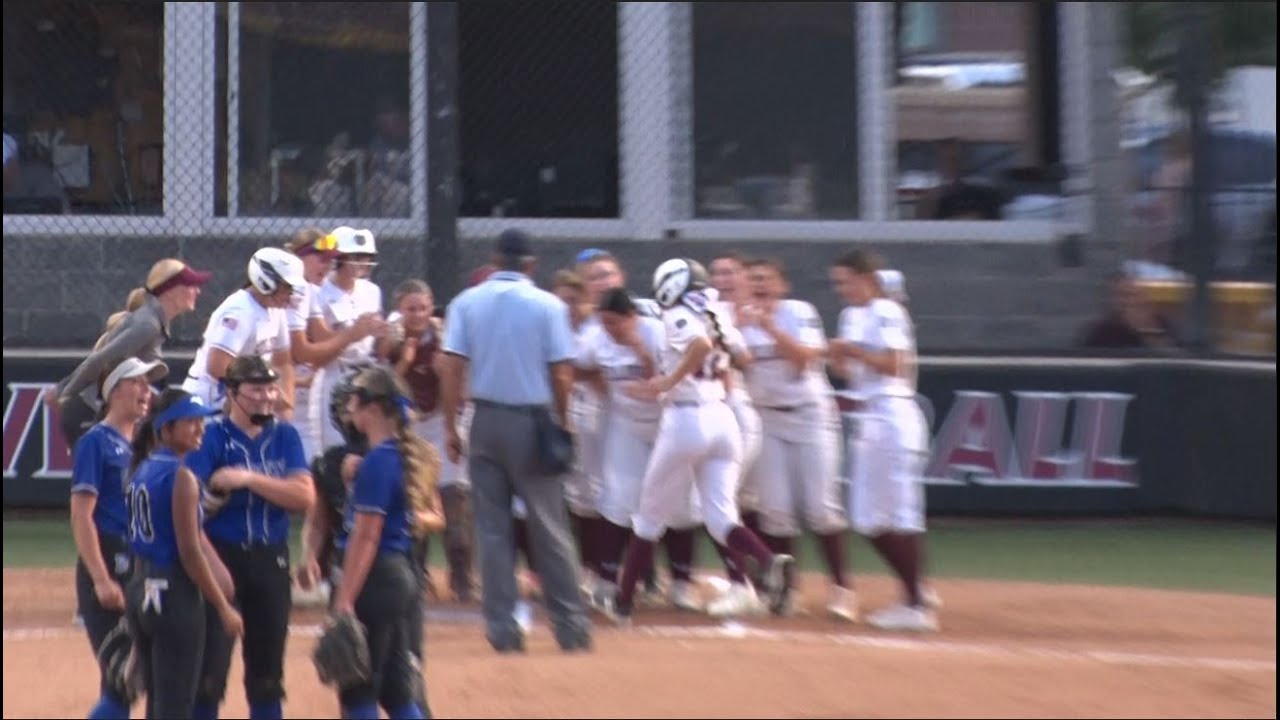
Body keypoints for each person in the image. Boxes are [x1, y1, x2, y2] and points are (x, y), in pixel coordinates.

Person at [602, 257, 794, 625]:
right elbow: (743, 356)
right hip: (723, 418)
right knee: (720, 516)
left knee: (648, 517)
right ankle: (768, 560)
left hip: (686, 418)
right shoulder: (716, 312)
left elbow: (700, 345)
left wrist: (667, 381)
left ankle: (623, 603)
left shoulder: (679, 315)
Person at [439, 228, 593, 654]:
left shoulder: (466, 302)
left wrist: (452, 426)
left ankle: (503, 628)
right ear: (531, 263)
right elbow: (562, 372)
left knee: (491, 528)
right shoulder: (547, 305)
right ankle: (570, 626)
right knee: (549, 525)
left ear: (495, 259)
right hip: (532, 420)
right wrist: (564, 422)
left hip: (484, 420)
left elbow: (450, 366)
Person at [185, 356, 314, 720]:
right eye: (256, 389)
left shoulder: (285, 435)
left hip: (270, 559)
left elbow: (304, 496)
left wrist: (248, 479)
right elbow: (188, 501)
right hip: (221, 559)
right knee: (209, 672)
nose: (266, 397)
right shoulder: (211, 436)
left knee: (267, 675)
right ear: (232, 392)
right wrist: (212, 497)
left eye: (271, 388)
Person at [736, 258, 854, 620]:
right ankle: (788, 589)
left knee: (821, 508)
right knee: (776, 512)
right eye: (753, 279)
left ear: (782, 285)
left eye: (767, 279)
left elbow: (803, 359)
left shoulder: (798, 311)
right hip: (767, 420)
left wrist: (769, 326)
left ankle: (841, 589)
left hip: (810, 417)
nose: (760, 285)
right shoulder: (737, 320)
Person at [828, 249, 939, 632]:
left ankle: (915, 604)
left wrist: (853, 350)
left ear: (867, 279)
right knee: (866, 518)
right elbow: (847, 371)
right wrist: (839, 358)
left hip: (892, 413)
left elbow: (895, 365)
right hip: (867, 415)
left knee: (898, 514)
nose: (842, 289)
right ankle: (917, 589)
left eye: (846, 281)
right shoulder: (851, 315)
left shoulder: (887, 311)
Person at [575, 288, 704, 612]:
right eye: (604, 323)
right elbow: (575, 368)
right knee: (618, 498)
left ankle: (681, 583)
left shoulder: (658, 331)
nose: (610, 330)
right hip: (626, 425)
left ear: (632, 316)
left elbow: (669, 376)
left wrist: (641, 352)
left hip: (666, 423)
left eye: (616, 323)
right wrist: (600, 384)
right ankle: (607, 580)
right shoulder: (596, 337)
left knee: (678, 501)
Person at [329, 365, 443, 719]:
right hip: (399, 577)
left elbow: (366, 535)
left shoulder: (379, 461)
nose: (350, 409)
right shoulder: (396, 457)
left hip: (376, 580)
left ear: (374, 410)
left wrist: (344, 600)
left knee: (359, 689)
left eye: (355, 403)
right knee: (396, 691)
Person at [125, 388, 242, 720]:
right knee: (176, 706)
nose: (200, 428)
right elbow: (191, 554)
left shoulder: (141, 470)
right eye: (190, 422)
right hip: (174, 595)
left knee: (157, 704)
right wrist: (222, 607)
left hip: (141, 590)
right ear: (166, 430)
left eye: (200, 421)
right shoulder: (182, 478)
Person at [71, 357, 168, 720]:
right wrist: (100, 578)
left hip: (144, 563)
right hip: (111, 558)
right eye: (138, 383)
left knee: (148, 674)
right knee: (121, 675)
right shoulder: (95, 442)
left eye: (149, 384)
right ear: (113, 391)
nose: (147, 392)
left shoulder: (149, 444)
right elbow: (82, 515)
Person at [379, 279, 477, 602]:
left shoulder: (444, 335)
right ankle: (416, 574)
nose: (418, 314)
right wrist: (405, 361)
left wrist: (445, 373)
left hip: (441, 420)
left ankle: (462, 575)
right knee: (414, 502)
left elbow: (462, 385)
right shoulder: (391, 337)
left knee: (455, 499)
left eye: (423, 307)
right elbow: (382, 385)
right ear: (400, 310)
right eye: (411, 308)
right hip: (410, 427)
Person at [50, 258, 210, 448]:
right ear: (172, 291)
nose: (197, 291)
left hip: (97, 412)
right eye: (191, 285)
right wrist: (63, 393)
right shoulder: (148, 325)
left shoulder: (152, 321)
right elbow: (100, 360)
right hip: (89, 412)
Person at [283, 227, 385, 464]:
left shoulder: (309, 290)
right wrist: (353, 333)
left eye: (330, 258)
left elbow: (325, 340)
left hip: (301, 388)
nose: (327, 265)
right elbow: (305, 352)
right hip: (277, 388)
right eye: (321, 258)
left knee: (318, 463)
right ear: (299, 257)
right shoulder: (295, 289)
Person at [703, 251, 768, 617]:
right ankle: (747, 581)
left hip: (736, 411)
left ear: (744, 276)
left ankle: (745, 583)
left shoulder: (757, 311)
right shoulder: (713, 309)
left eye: (730, 272)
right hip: (724, 410)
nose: (722, 278)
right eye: (716, 272)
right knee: (730, 503)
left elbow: (744, 360)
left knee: (721, 502)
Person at [183, 247, 303, 415]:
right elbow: (217, 366)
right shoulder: (240, 311)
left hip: (246, 401)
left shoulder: (276, 311)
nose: (291, 294)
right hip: (210, 401)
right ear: (267, 281)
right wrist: (261, 391)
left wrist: (285, 405)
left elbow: (283, 362)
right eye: (287, 287)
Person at [1079, 271, 1178, 350]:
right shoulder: (1100, 331)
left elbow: (1173, 361)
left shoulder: (1159, 324)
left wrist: (1145, 328)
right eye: (1121, 295)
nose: (1129, 302)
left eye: (1133, 295)